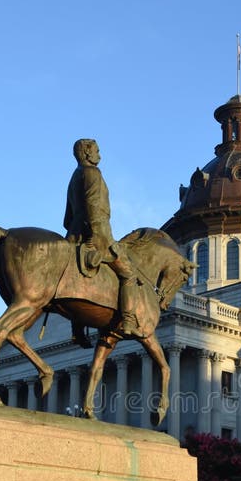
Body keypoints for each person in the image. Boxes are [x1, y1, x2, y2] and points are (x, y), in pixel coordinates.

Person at [64, 138, 139, 342]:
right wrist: (95, 237)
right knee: (128, 274)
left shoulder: (74, 175)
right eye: (97, 150)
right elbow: (94, 207)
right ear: (88, 153)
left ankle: (77, 331)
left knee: (75, 283)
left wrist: (77, 235)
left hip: (73, 234)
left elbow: (67, 217)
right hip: (98, 234)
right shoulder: (93, 173)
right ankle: (129, 320)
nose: (100, 155)